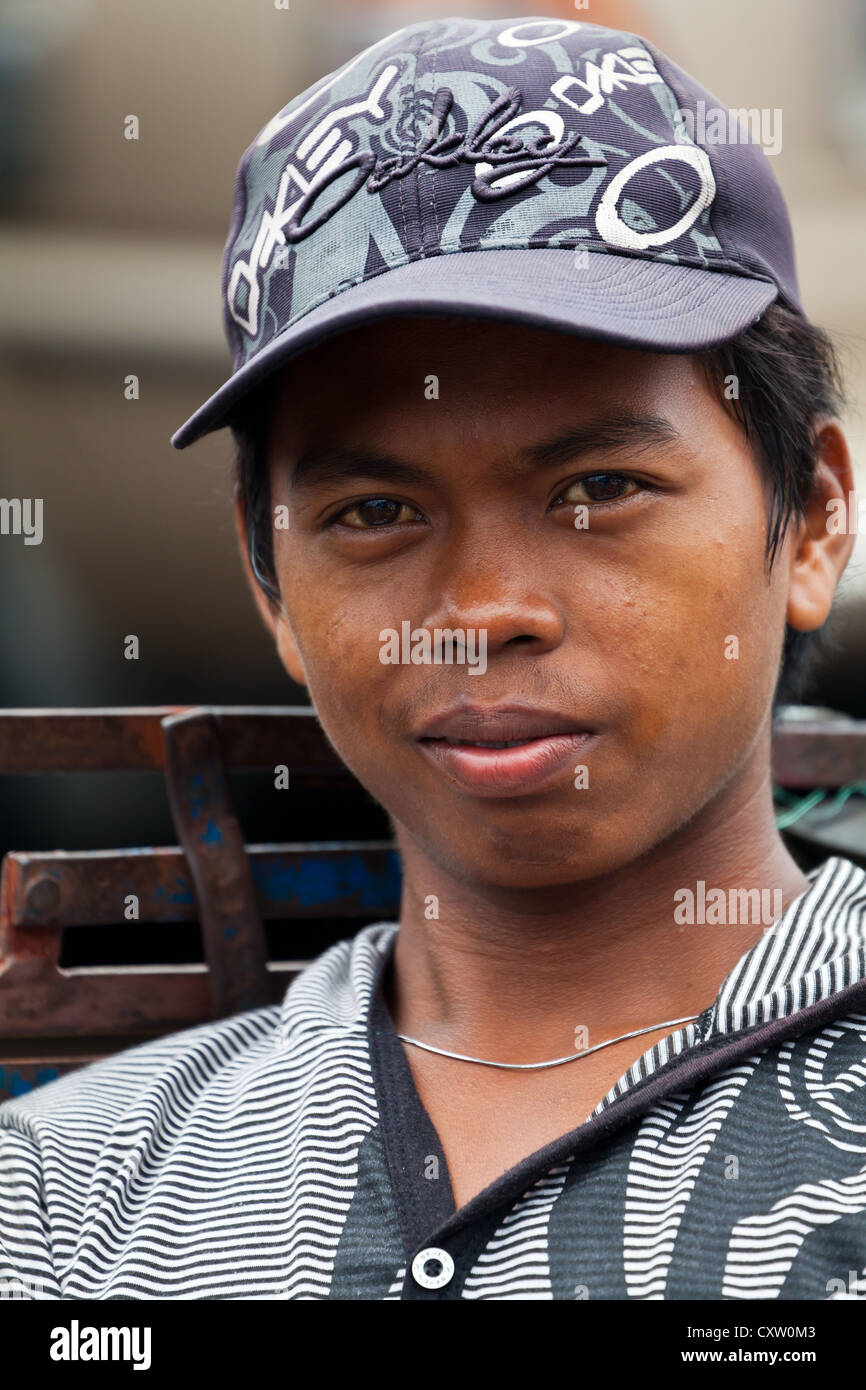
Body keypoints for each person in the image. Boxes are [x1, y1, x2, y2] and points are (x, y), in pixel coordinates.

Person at [1, 14, 864, 1302]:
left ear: (809, 524)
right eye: (376, 514)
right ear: (271, 585)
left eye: (601, 486)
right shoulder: (78, 1199)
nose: (482, 607)